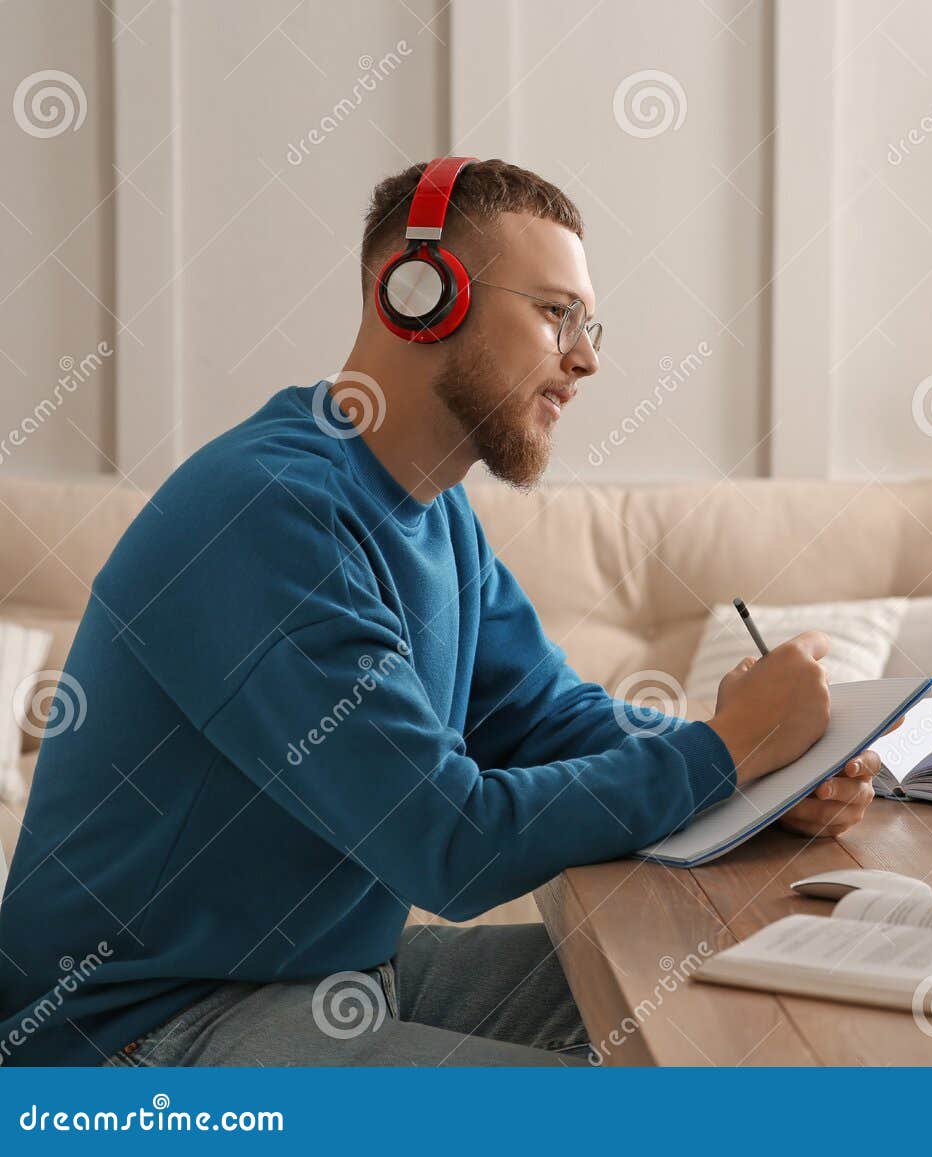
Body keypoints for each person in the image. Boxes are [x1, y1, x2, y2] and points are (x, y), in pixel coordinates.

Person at [0, 157, 882, 1067]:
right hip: (141, 1034)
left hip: (334, 976)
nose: (586, 358)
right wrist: (727, 749)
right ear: (419, 296)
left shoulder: (432, 508)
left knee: (733, 995)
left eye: (589, 323)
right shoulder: (267, 511)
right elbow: (450, 843)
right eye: (555, 314)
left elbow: (546, 719)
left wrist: (766, 771)